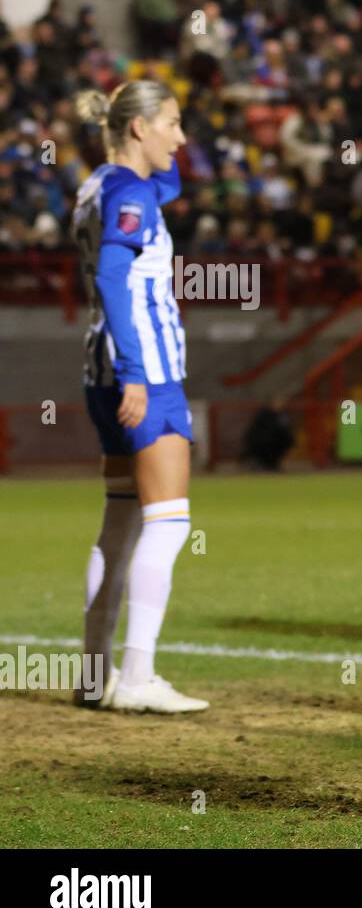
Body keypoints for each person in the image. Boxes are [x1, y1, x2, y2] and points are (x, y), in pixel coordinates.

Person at [72, 80, 207, 713]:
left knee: (120, 521)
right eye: (172, 124)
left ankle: (94, 674)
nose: (181, 138)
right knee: (169, 521)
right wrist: (134, 371)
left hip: (99, 366)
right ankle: (136, 678)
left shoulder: (98, 186)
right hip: (142, 369)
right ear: (139, 127)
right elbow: (110, 273)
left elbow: (171, 181)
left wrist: (151, 136)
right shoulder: (127, 192)